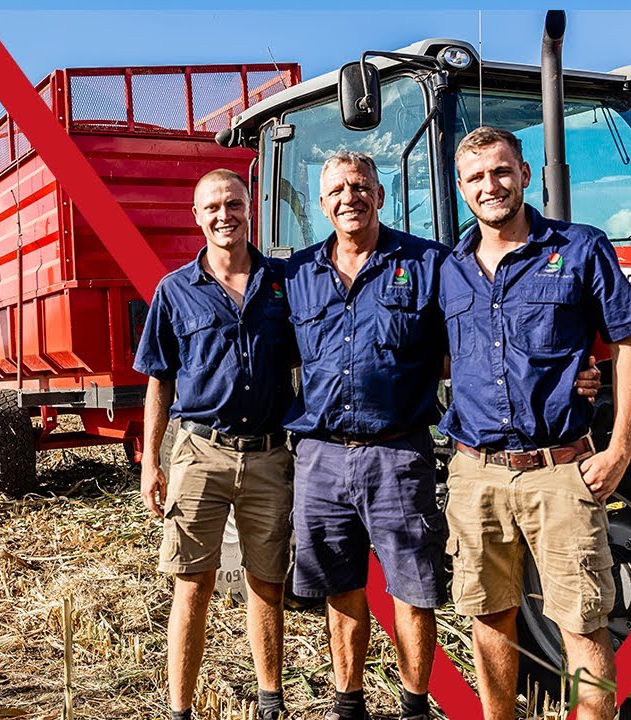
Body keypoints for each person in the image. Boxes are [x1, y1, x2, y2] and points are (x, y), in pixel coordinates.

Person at [440, 127, 631, 720]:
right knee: (490, 619)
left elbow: (629, 343)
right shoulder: (448, 268)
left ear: (525, 174)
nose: (491, 186)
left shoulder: (581, 247)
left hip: (560, 471)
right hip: (475, 473)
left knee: (583, 623)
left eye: (501, 171)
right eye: (477, 177)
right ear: (461, 189)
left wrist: (619, 450)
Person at [282, 151, 448, 720]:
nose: (348, 198)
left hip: (397, 453)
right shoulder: (297, 275)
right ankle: (348, 705)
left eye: (360, 187)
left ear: (380, 195)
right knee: (341, 587)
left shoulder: (428, 264)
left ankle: (413, 707)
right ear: (322, 204)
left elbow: (480, 333)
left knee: (413, 589)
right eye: (335, 191)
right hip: (321, 458)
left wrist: (575, 369)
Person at [135, 168, 296, 720]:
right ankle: (180, 710)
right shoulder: (175, 290)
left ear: (250, 206)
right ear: (197, 217)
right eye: (213, 207)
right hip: (200, 451)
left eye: (234, 203)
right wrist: (150, 462)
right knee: (193, 584)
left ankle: (270, 702)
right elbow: (160, 378)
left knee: (266, 582)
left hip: (271, 454)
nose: (224, 215)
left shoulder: (284, 283)